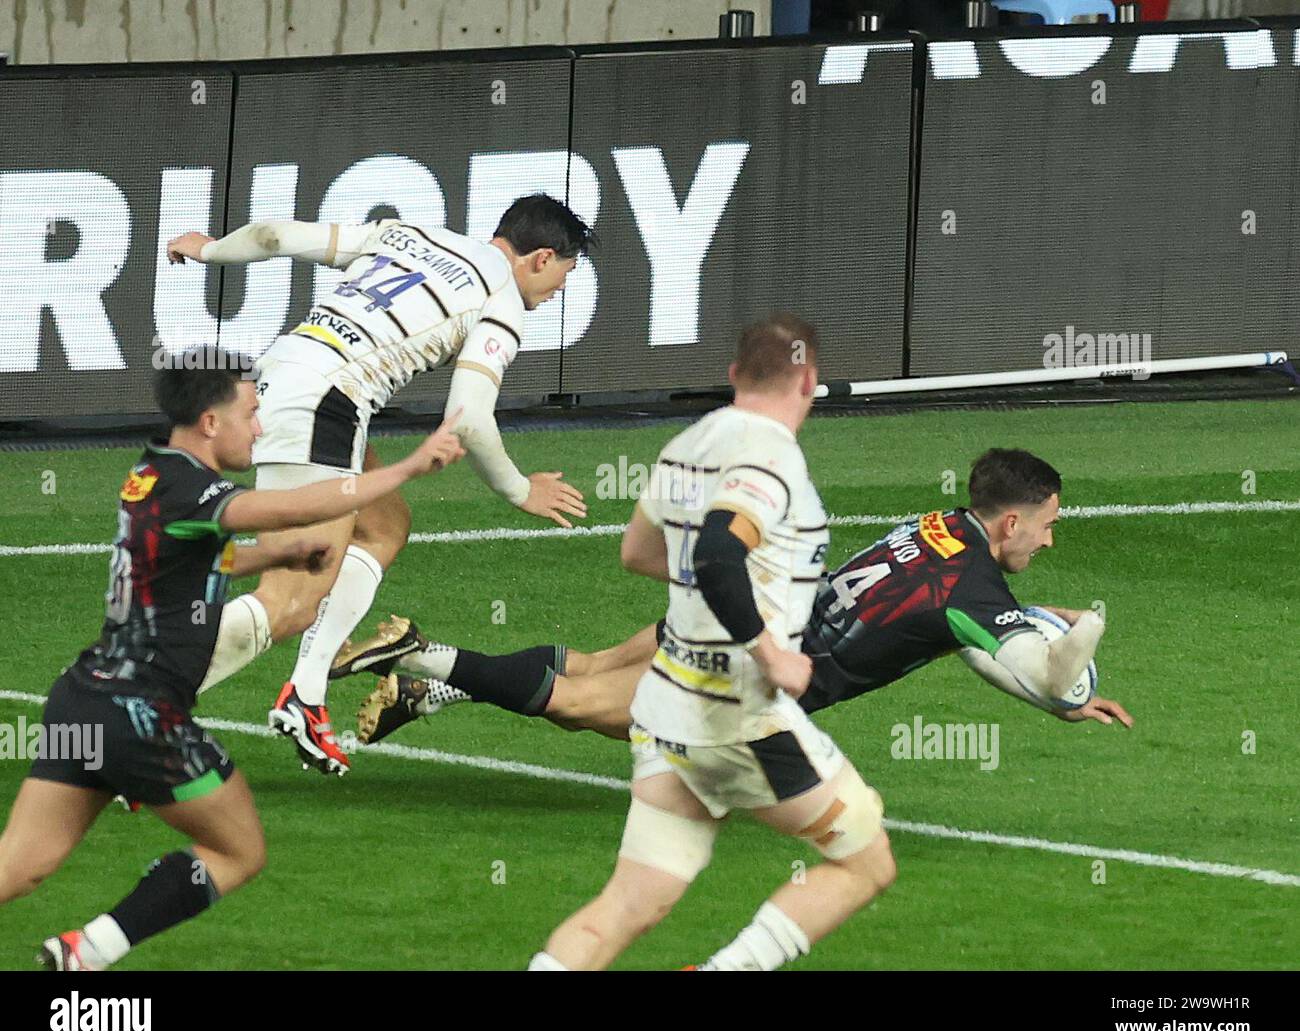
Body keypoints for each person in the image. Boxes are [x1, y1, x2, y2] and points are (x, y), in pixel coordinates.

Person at [0, 361, 463, 970]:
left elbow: (181, 563)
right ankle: (86, 953)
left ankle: (83, 953)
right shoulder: (195, 489)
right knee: (237, 852)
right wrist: (405, 469)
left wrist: (281, 554)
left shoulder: (150, 474)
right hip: (142, 715)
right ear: (211, 421)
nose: (261, 426)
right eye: (251, 413)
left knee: (21, 865)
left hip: (83, 698)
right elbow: (295, 503)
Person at [165, 194, 593, 774]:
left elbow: (270, 234)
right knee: (289, 601)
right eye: (566, 271)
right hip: (326, 403)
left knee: (385, 522)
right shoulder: (502, 303)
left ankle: (306, 693)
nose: (561, 288)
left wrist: (211, 250)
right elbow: (468, 417)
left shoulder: (409, 233)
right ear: (541, 258)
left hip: (285, 374)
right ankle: (144, 711)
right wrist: (520, 490)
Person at [522, 313, 896, 970]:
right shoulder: (773, 455)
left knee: (625, 907)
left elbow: (638, 552)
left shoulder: (688, 442)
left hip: (668, 713)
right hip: (742, 715)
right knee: (866, 862)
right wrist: (770, 649)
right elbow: (722, 551)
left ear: (733, 376)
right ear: (809, 378)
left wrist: (730, 577)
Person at [340, 448, 1132, 745]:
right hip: (750, 671)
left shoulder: (938, 527)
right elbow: (1029, 666)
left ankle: (432, 687)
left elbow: (960, 613)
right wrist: (1063, 691)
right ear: (1014, 519)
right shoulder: (973, 590)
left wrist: (1031, 614)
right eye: (1049, 526)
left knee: (584, 667)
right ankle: (423, 649)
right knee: (580, 707)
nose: (1050, 539)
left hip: (747, 612)